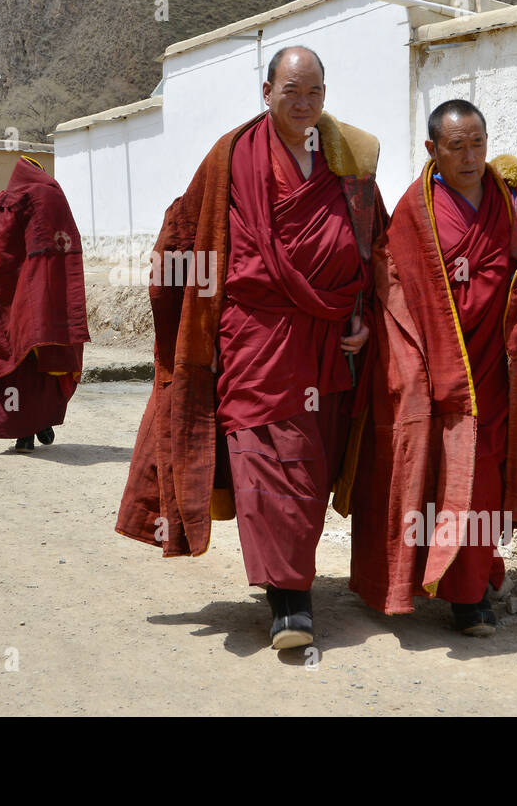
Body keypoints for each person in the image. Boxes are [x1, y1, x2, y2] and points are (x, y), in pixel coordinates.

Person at [116, 46, 385, 650]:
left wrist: (363, 316)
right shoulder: (232, 156)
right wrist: (186, 302)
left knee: (309, 468)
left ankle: (289, 578)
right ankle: (291, 599)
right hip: (251, 337)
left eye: (315, 92)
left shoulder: (347, 160)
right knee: (264, 453)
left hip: (324, 341)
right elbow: (185, 228)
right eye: (292, 90)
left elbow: (375, 247)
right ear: (266, 92)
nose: (304, 102)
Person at [345, 99, 517, 636]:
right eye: (456, 147)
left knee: (485, 479)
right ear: (433, 150)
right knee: (436, 477)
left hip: (496, 368)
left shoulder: (511, 204)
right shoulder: (417, 212)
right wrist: (411, 364)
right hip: (436, 370)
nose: (469, 156)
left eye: (477, 144)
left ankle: (472, 585)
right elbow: (392, 286)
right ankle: (459, 589)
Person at [0, 156, 88, 452]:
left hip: (5, 294)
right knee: (44, 356)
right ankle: (41, 421)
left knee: (16, 360)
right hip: (40, 290)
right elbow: (60, 246)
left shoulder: (2, 202)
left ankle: (25, 429)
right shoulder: (45, 195)